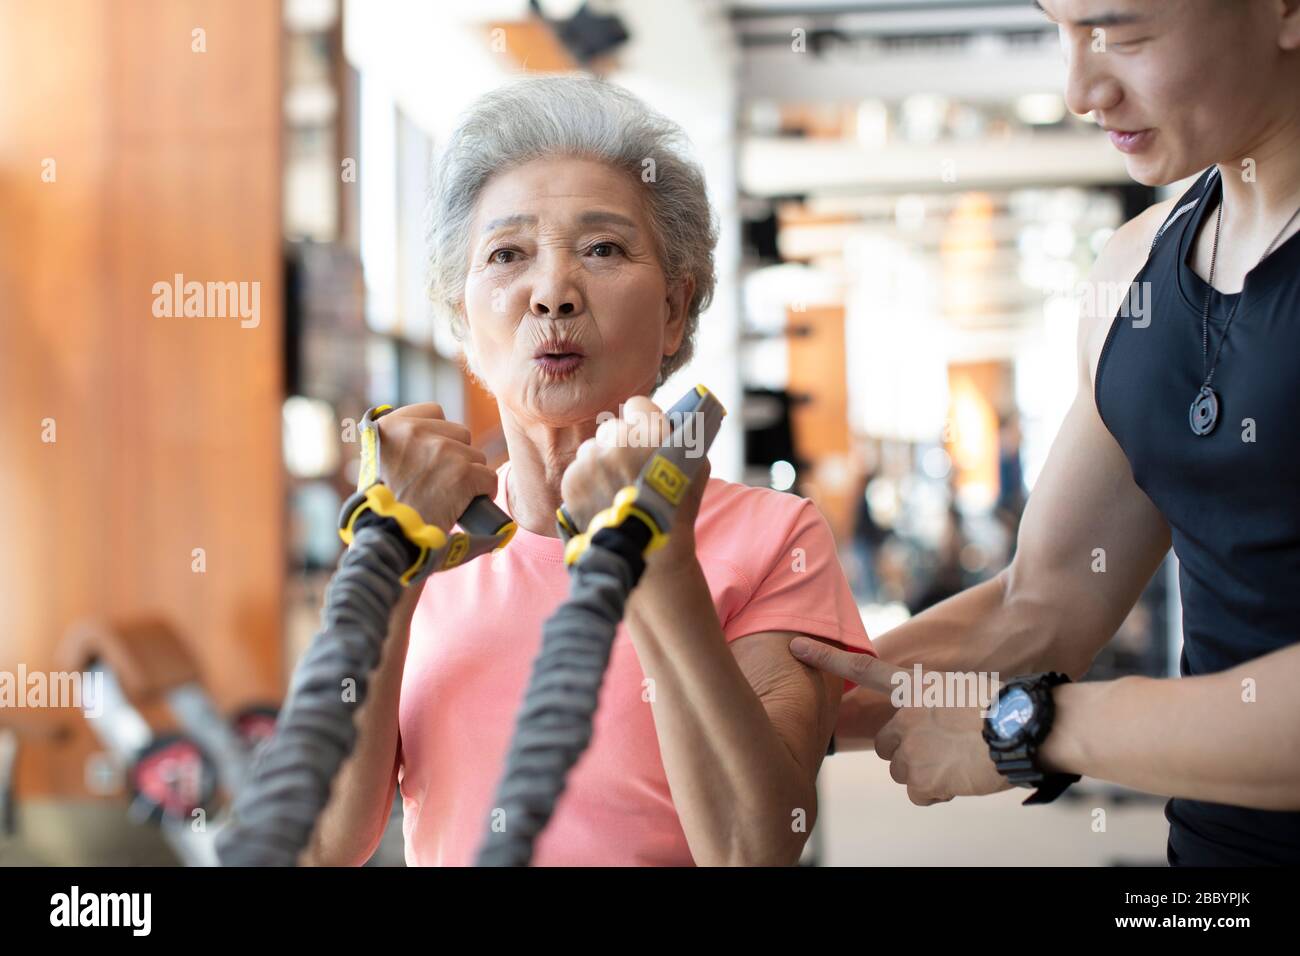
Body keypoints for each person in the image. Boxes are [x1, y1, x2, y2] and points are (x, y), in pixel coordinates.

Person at [304, 75, 874, 866]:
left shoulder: (776, 537)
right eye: (507, 255)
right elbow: (324, 845)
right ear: (463, 319)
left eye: (602, 249)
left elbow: (755, 849)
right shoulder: (419, 537)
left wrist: (658, 561)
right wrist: (391, 574)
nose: (552, 294)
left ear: (676, 309)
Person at [793, 0, 1300, 866]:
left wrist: (1042, 727)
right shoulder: (1134, 270)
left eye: (1125, 33)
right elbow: (1045, 605)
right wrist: (758, 705)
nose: (1080, 89)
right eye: (1060, 30)